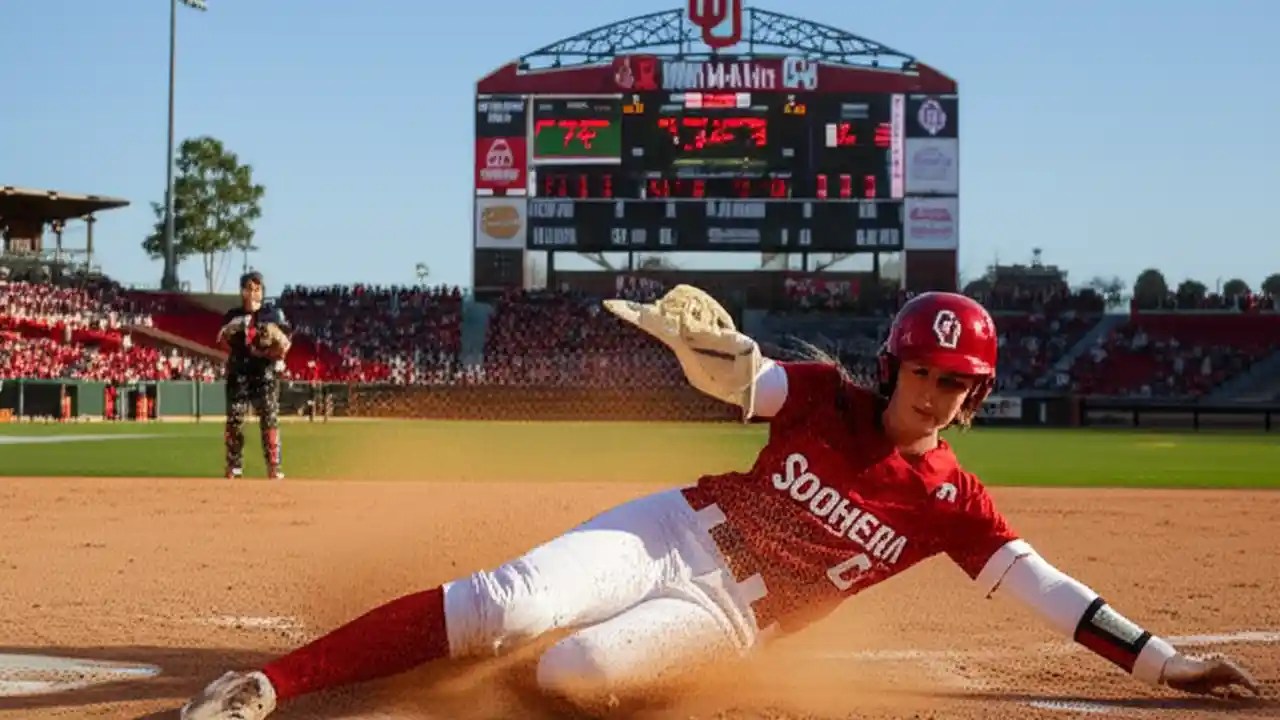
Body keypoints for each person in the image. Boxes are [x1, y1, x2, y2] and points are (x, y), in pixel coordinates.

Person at [181, 287, 1259, 719]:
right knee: (502, 600)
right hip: (669, 532)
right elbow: (746, 384)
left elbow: (1044, 590)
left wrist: (1163, 662)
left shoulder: (950, 500)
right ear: (893, 368)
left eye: (957, 385)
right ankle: (269, 687)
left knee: (573, 670)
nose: (935, 393)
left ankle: (492, 683)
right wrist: (710, 350)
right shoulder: (827, 397)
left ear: (973, 398)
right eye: (923, 373)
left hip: (732, 616)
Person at [216, 271, 292, 480]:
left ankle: (274, 466)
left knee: (269, 418)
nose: (253, 292)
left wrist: (271, 352)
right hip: (238, 370)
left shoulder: (273, 314)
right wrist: (230, 334)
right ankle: (234, 466)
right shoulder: (232, 316)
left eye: (257, 288)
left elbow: (285, 344)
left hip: (264, 372)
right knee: (235, 418)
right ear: (242, 291)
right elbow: (221, 342)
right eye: (249, 287)